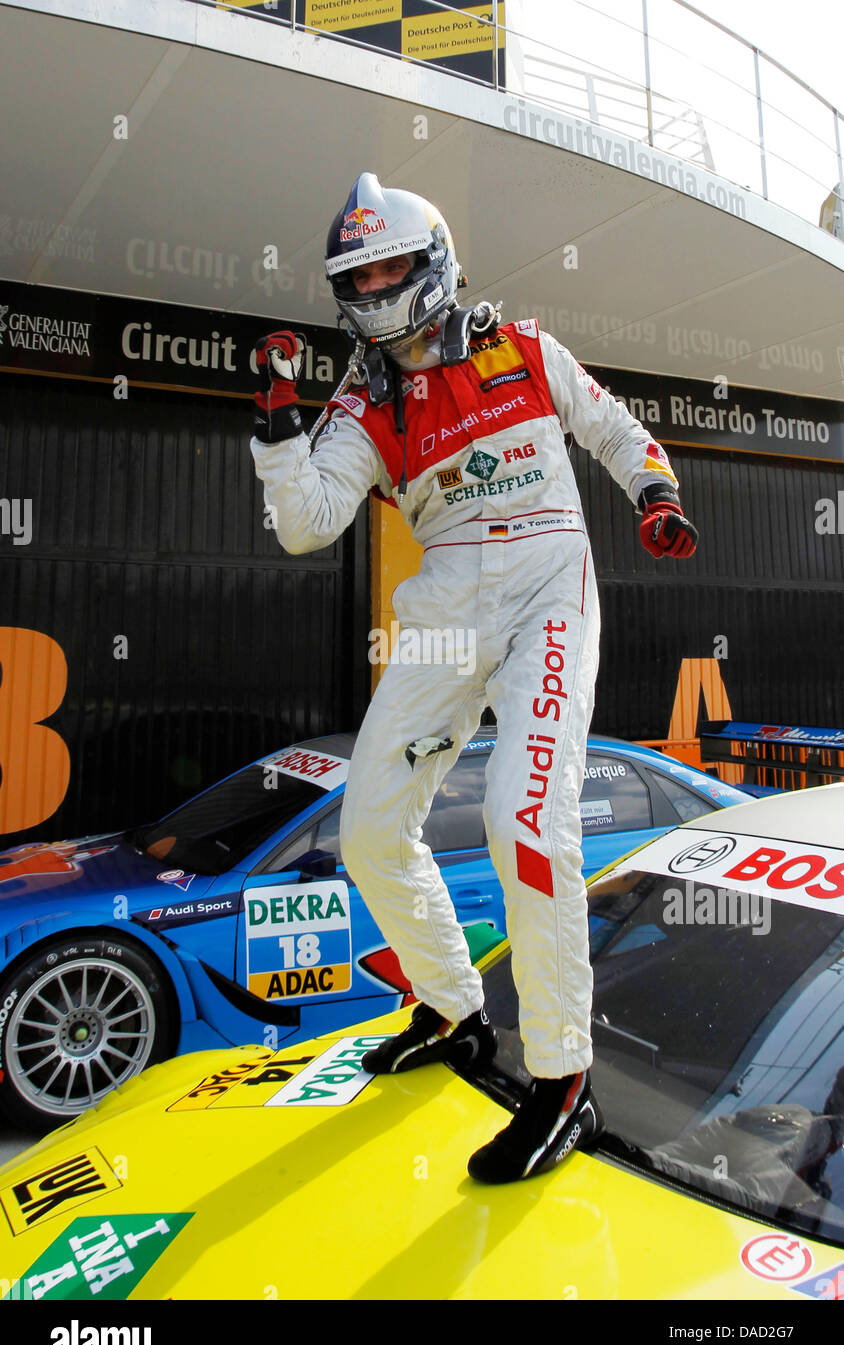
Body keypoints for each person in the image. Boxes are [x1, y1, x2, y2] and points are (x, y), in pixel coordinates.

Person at [249, 172, 698, 1184]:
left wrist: (654, 492)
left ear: (435, 260)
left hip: (547, 594)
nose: (373, 286)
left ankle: (562, 1078)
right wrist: (278, 424)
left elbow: (616, 430)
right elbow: (305, 522)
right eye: (355, 275)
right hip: (446, 620)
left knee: (524, 822)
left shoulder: (523, 348)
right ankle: (452, 1010)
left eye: (388, 266)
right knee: (366, 826)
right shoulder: (364, 401)